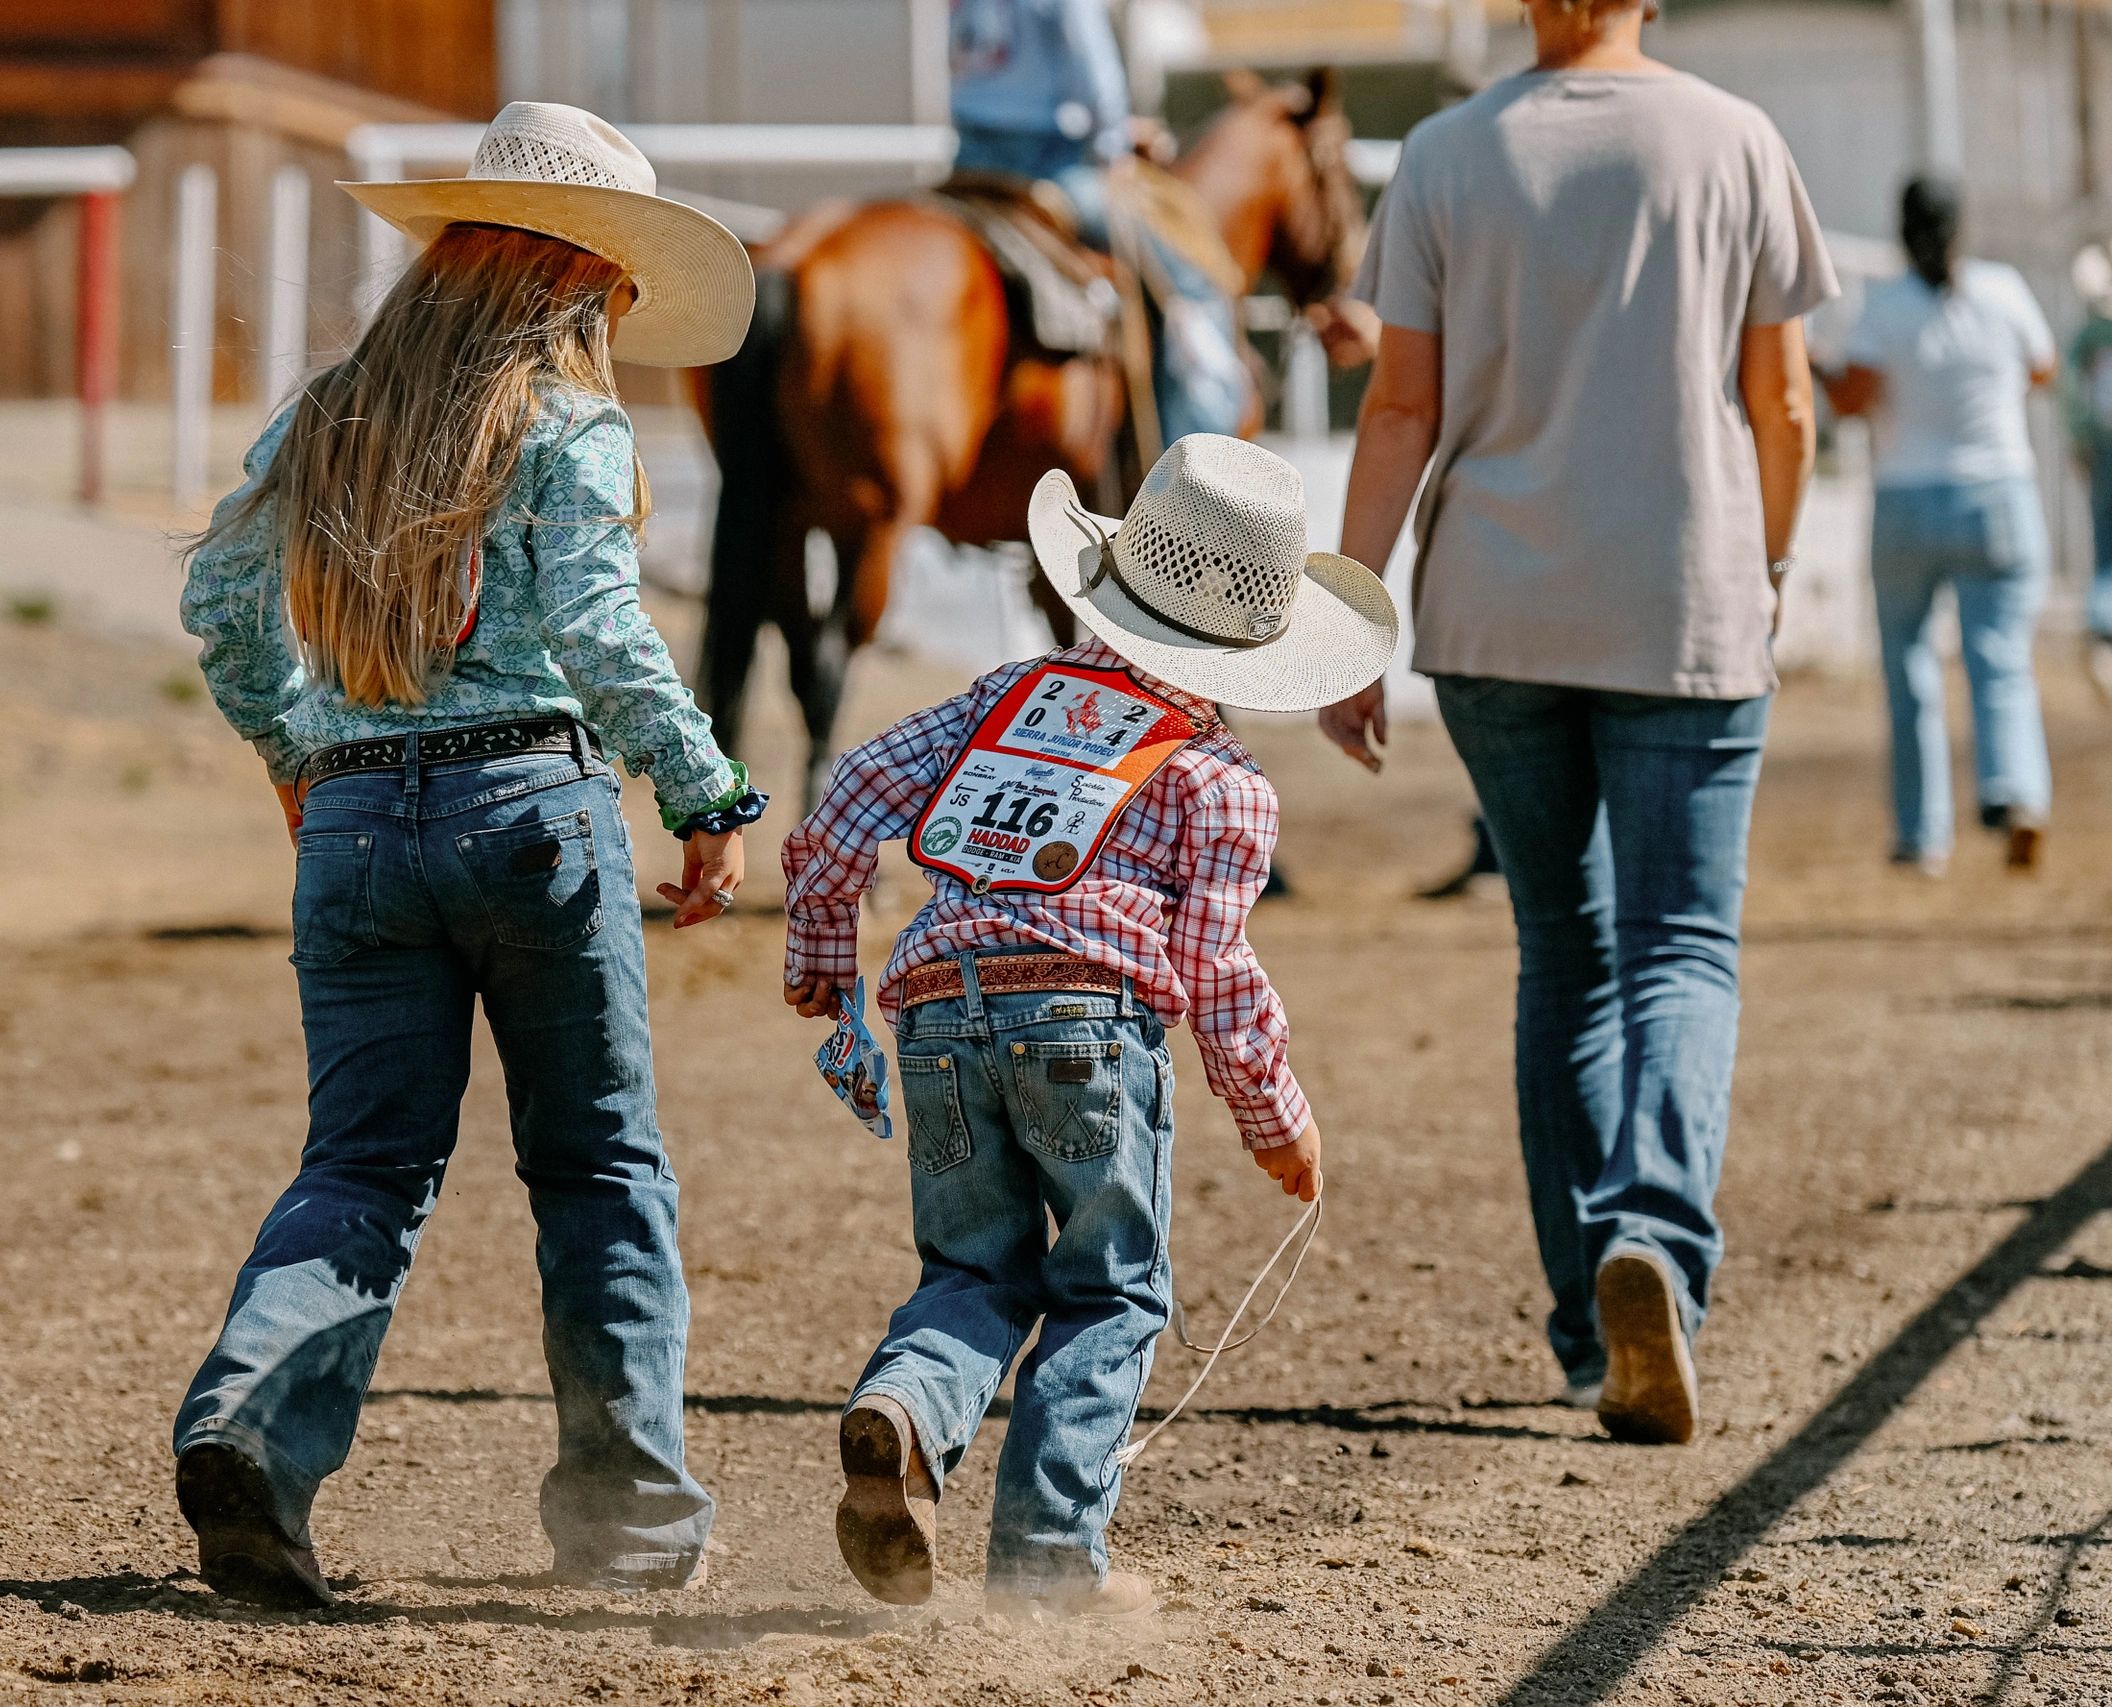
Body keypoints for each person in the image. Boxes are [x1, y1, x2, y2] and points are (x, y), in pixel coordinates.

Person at [169, 102, 764, 1607]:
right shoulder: (567, 423)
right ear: (576, 274)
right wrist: (702, 787)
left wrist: (299, 754)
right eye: (618, 287)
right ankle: (628, 1519)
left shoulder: (330, 414)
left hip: (356, 819)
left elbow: (224, 605)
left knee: (361, 1161)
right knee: (599, 1164)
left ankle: (252, 1430)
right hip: (531, 814)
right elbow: (598, 626)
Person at [1321, 0, 1833, 1445]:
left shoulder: (1442, 152)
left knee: (1564, 951)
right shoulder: (1735, 139)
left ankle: (1581, 1322)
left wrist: (1352, 618)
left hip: (1494, 611)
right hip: (1683, 601)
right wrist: (1768, 564)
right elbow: (1783, 400)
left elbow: (1398, 408)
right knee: (1683, 946)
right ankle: (1653, 1238)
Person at [782, 435, 1397, 1616]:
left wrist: (820, 950)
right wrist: (1274, 1116)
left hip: (935, 1011)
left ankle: (904, 1407)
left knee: (973, 1265)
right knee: (1111, 1291)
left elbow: (852, 791)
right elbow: (1213, 965)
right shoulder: (1221, 781)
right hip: (1090, 1023)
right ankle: (1047, 1568)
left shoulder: (1000, 699)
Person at [1825, 177, 2056, 874]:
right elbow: (2042, 370)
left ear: (1903, 231)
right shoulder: (2003, 290)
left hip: (1907, 498)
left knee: (1909, 667)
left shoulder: (1885, 306)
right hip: (1999, 494)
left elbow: (1854, 398)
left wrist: (1815, 367)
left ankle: (1922, 835)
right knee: (2001, 657)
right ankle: (2014, 790)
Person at [948, 0, 1253, 441]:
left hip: (968, 161)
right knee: (1192, 282)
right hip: (1048, 165)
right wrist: (1114, 144)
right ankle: (1195, 455)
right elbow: (1091, 59)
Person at [2062, 243, 2112, 699]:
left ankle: (2103, 633)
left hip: (2100, 447)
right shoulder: (2091, 338)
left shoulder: (2089, 337)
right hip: (2102, 448)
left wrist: (2079, 438)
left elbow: (2072, 391)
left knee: (2104, 543)